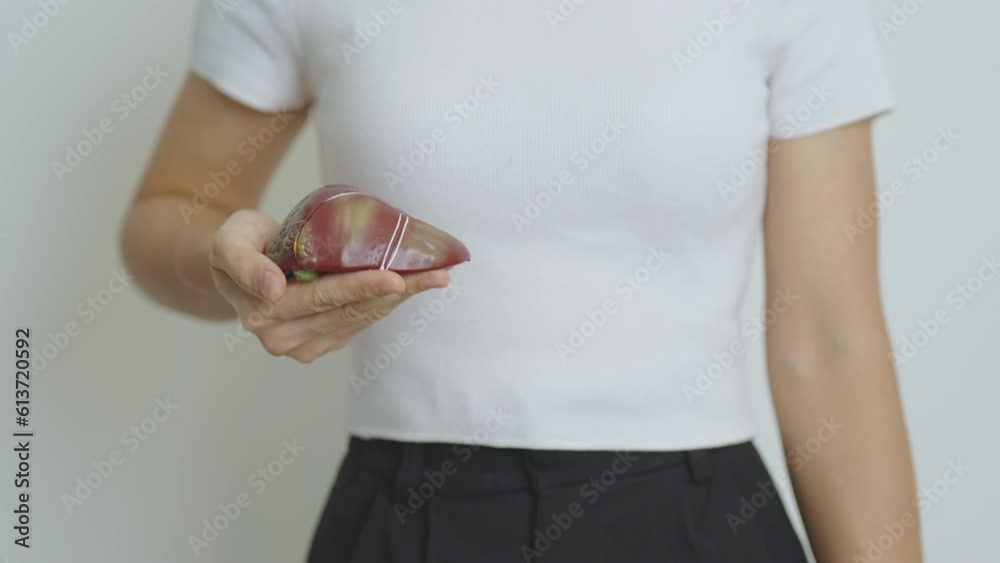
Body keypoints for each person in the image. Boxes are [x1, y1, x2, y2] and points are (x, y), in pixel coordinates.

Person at [121, 0, 922, 561]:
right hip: (406, 516)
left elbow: (830, 335)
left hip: (701, 520)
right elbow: (171, 212)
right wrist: (233, 266)